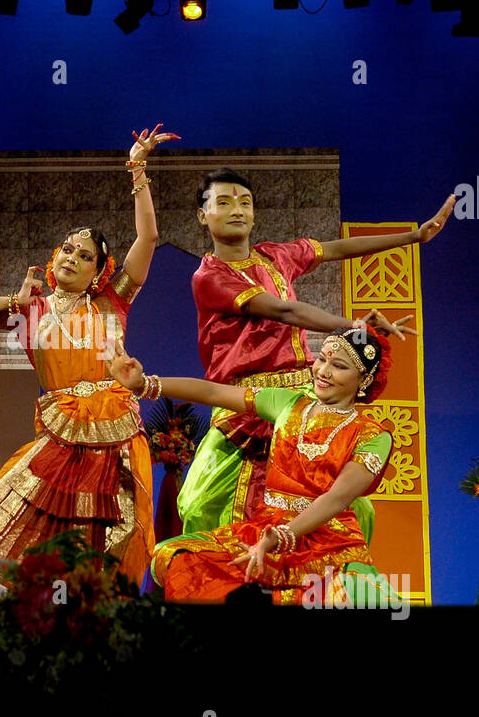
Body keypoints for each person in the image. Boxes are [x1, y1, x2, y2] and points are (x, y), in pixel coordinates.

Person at [0, 125, 178, 584]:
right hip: (62, 438)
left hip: (118, 435)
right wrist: (14, 302)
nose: (71, 256)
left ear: (97, 272)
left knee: (113, 535)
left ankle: (105, 624)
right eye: (66, 249)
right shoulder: (31, 311)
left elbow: (147, 239)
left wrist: (138, 170)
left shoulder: (113, 300)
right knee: (41, 531)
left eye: (85, 255)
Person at [177, 167, 452, 537]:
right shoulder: (210, 275)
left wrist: (414, 236)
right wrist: (355, 327)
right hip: (245, 401)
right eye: (223, 203)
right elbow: (283, 310)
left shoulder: (275, 257)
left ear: (255, 213)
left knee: (338, 500)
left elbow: (335, 249)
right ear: (203, 215)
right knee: (202, 502)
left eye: (245, 202)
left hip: (299, 399)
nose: (237, 210)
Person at [110, 323, 401, 604]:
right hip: (266, 528)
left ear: (364, 379)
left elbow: (337, 499)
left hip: (329, 541)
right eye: (322, 359)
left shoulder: (372, 436)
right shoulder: (289, 404)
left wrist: (282, 537)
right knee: (178, 558)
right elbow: (214, 393)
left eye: (339, 366)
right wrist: (145, 384)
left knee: (354, 599)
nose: (323, 372)